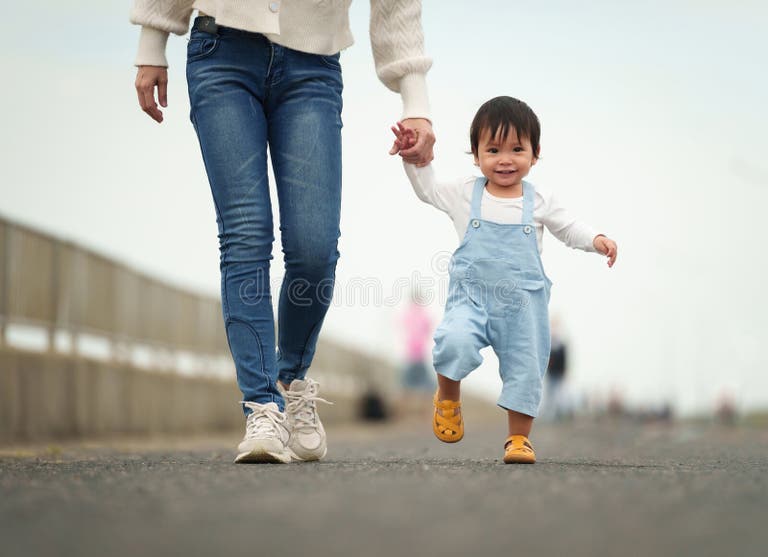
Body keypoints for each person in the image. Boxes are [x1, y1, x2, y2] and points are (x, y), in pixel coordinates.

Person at [130, 1, 436, 464]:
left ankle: (290, 383)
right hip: (222, 50)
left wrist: (415, 99)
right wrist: (153, 40)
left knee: (315, 248)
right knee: (245, 235)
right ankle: (262, 408)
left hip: (313, 64)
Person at [390, 96, 618, 463]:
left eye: (517, 149)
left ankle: (518, 438)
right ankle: (448, 396)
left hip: (523, 306)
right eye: (493, 149)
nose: (505, 159)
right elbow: (427, 189)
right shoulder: (466, 193)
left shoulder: (540, 200)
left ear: (535, 153)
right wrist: (413, 159)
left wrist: (596, 240)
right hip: (472, 298)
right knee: (454, 341)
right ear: (476, 155)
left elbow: (569, 228)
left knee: (526, 368)